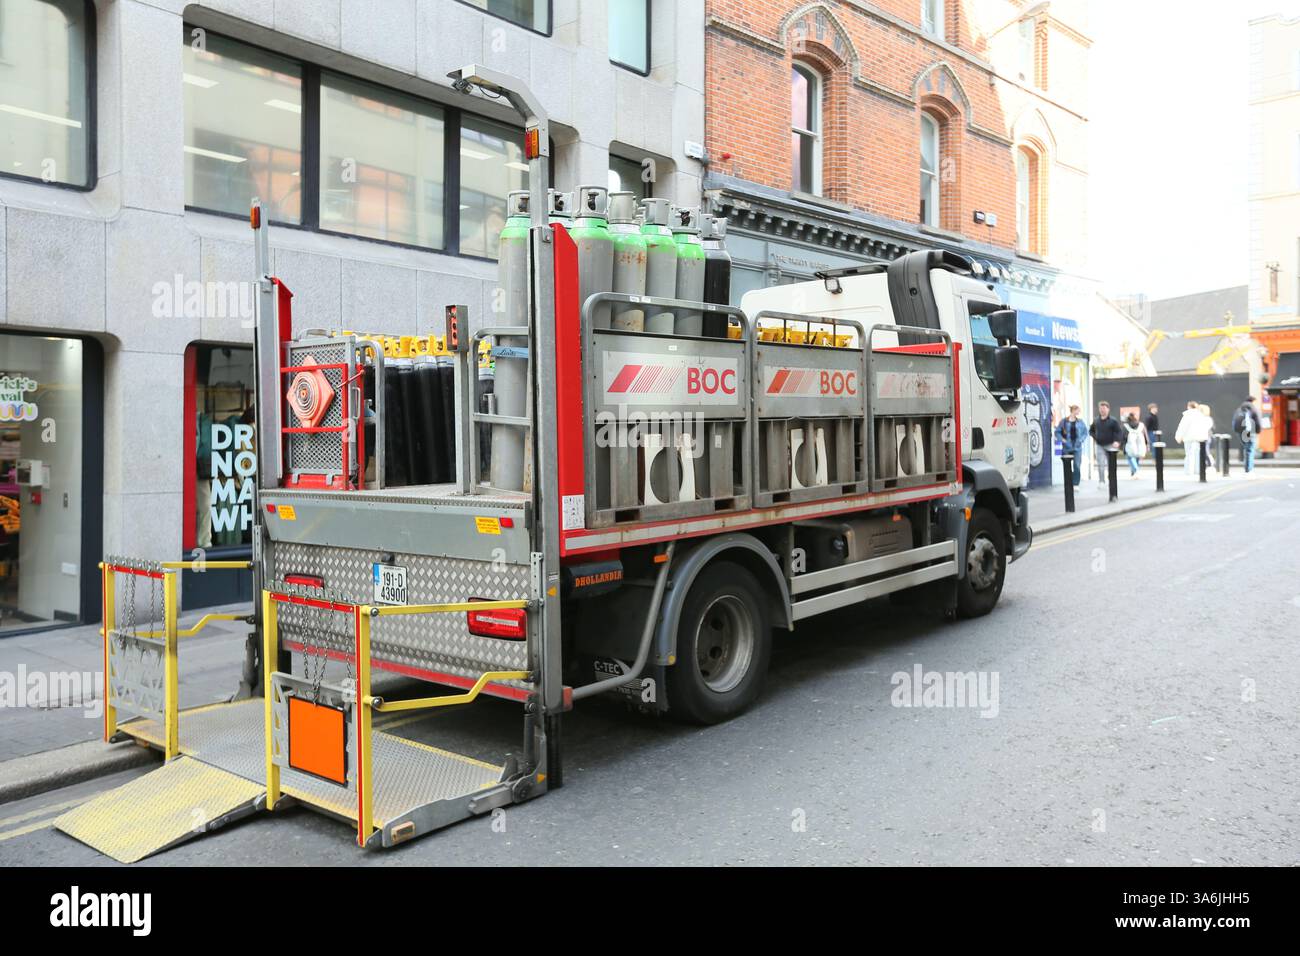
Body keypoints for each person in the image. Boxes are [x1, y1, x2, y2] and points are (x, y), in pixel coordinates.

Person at [1089, 401, 1125, 490]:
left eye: (1104, 409)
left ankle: (1111, 480)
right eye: (1101, 409)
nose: (1102, 410)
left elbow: (1119, 432)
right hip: (1099, 445)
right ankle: (1101, 481)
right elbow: (1091, 430)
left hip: (1110, 445)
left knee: (1111, 465)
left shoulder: (1113, 421)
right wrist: (1095, 437)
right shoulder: (1096, 420)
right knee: (1100, 464)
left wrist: (1117, 441)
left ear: (1108, 409)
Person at [1054, 405, 1088, 486]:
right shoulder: (1064, 421)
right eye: (1078, 410)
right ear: (1073, 410)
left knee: (1077, 465)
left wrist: (1081, 440)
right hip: (1067, 446)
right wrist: (1062, 439)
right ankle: (1069, 482)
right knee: (1067, 466)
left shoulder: (1080, 422)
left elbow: (1085, 432)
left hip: (1077, 447)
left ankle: (1075, 483)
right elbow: (1057, 432)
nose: (1079, 412)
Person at [1232, 397, 1262, 474]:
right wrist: (1258, 431)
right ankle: (1249, 468)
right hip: (1250, 431)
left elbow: (1234, 421)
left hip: (1240, 431)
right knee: (1250, 449)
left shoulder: (1239, 409)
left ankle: (1247, 466)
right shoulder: (1253, 409)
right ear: (1253, 401)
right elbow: (1258, 421)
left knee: (1246, 448)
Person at [1174, 400, 1204, 476]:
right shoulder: (1200, 415)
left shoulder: (1187, 415)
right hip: (1198, 438)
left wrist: (1178, 437)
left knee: (1189, 454)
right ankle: (1198, 470)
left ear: (1189, 407)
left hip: (1189, 437)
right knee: (1197, 454)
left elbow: (1183, 427)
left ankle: (1189, 471)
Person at [1122, 412, 1147, 477]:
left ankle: (1135, 470)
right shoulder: (1141, 425)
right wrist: (1147, 444)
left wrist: (1121, 445)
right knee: (1137, 457)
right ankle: (1134, 471)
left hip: (1129, 445)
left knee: (1130, 457)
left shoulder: (1126, 426)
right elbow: (1145, 435)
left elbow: (1123, 436)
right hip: (1140, 445)